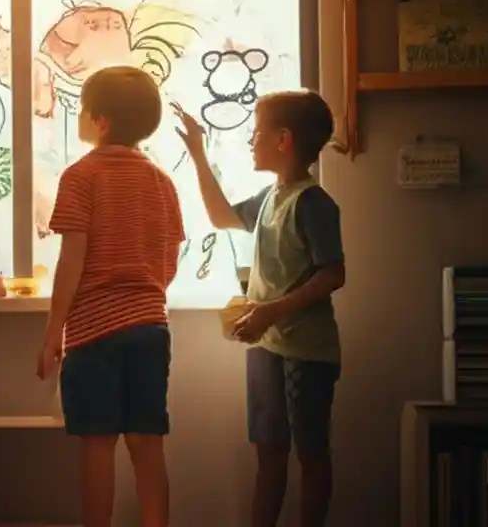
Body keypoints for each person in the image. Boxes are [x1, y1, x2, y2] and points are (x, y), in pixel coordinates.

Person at [173, 90, 345, 527]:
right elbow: (220, 216)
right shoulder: (270, 196)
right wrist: (197, 153)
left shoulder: (313, 203)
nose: (251, 141)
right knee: (268, 452)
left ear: (283, 139)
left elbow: (333, 274)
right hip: (266, 345)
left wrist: (271, 311)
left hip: (307, 351)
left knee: (310, 452)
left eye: (256, 133)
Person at [36, 66, 185, 527]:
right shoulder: (161, 180)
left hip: (94, 330)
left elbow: (71, 261)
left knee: (97, 445)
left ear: (99, 121)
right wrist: (144, 297)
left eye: (82, 110)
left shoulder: (82, 175)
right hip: (149, 328)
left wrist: (53, 332)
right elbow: (170, 256)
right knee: (147, 444)